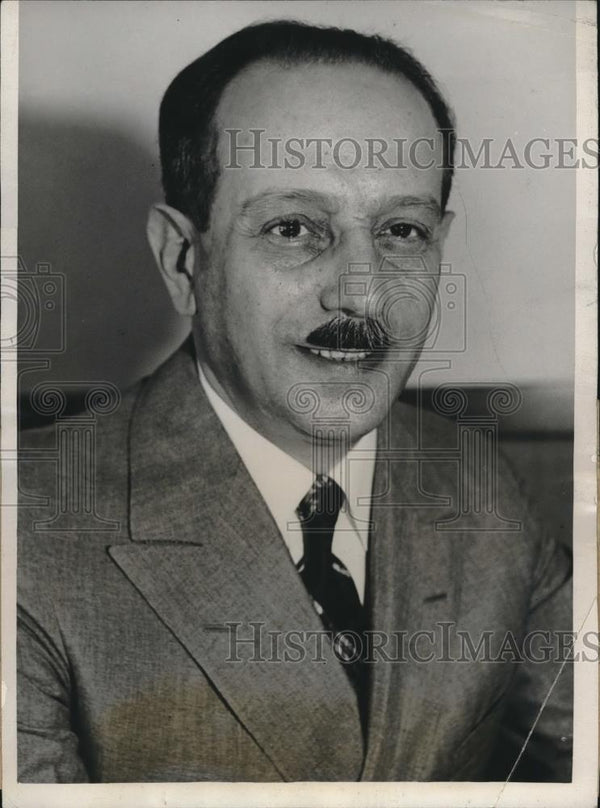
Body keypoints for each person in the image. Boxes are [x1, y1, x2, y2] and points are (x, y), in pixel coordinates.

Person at [17, 20, 572, 783]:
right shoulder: (26, 536)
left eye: (402, 230)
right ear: (183, 260)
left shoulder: (481, 486)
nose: (363, 293)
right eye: (293, 228)